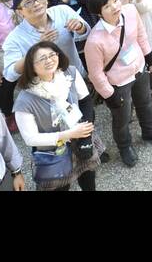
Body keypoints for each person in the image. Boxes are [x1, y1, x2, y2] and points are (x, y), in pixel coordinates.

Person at [84, 0, 152, 166]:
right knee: (121, 118)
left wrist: (148, 55)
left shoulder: (130, 11)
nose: (115, 7)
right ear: (99, 13)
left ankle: (149, 131)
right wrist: (109, 94)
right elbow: (96, 74)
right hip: (118, 82)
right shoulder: (94, 40)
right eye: (107, 6)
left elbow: (140, 34)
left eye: (115, 0)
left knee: (145, 103)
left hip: (139, 68)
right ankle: (125, 146)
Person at [13, 42, 103, 191]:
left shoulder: (70, 73)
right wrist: (68, 134)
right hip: (53, 152)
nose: (49, 60)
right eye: (42, 58)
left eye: (52, 55)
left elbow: (86, 101)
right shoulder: (25, 100)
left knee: (88, 179)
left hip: (81, 138)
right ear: (31, 66)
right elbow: (31, 139)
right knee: (60, 187)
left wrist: (85, 138)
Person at [2, 0, 89, 86]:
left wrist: (80, 27)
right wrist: (36, 48)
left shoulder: (62, 11)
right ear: (19, 12)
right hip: (45, 90)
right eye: (28, 2)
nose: (36, 3)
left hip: (77, 77)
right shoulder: (14, 38)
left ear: (46, 1)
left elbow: (86, 34)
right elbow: (10, 74)